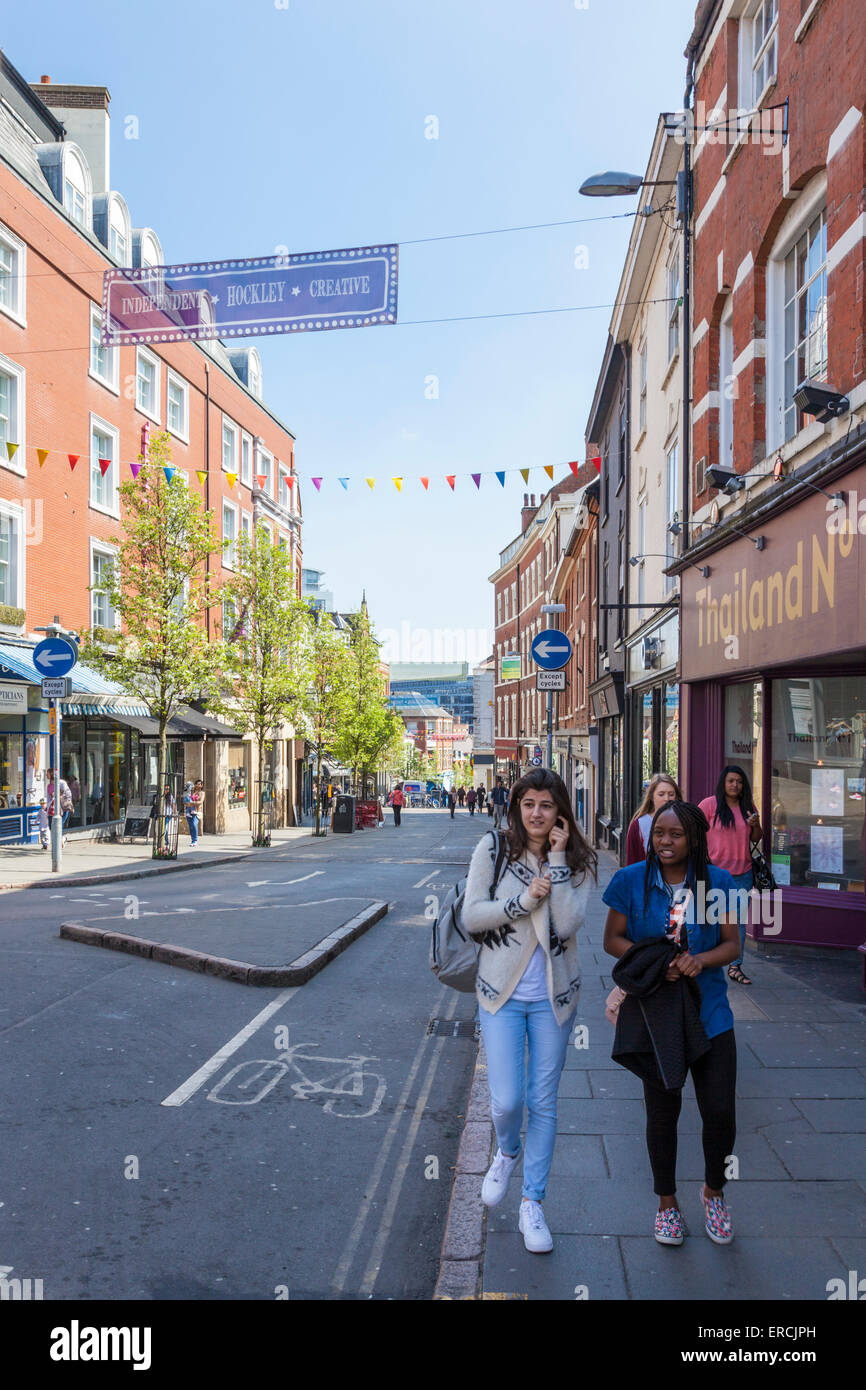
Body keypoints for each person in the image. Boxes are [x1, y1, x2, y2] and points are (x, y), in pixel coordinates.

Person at [463, 769, 597, 1254]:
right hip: (500, 994)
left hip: (554, 1000)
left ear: (560, 808)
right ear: (517, 806)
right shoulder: (495, 850)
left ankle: (532, 1203)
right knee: (505, 1102)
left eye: (546, 804)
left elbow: (564, 924)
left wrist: (557, 861)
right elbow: (471, 915)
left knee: (544, 1103)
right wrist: (521, 901)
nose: (537, 813)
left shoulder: (578, 861)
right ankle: (508, 1151)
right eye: (529, 804)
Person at [602, 801, 740, 1248]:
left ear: (694, 839)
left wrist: (698, 959)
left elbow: (732, 945)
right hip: (658, 1016)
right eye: (658, 833)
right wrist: (656, 962)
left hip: (711, 1015)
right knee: (663, 1114)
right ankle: (666, 1205)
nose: (664, 841)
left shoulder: (717, 883)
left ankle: (714, 1192)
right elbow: (612, 940)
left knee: (719, 1111)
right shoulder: (630, 880)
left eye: (675, 834)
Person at [698, 766, 762, 987]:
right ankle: (705, 960)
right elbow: (694, 830)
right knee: (708, 918)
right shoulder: (709, 805)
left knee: (738, 923)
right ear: (723, 783)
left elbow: (756, 838)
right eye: (731, 781)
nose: (735, 785)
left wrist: (756, 825)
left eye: (739, 782)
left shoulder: (748, 808)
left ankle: (735, 966)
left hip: (741, 874)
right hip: (712, 872)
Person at [625, 773, 681, 864]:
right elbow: (632, 863)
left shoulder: (686, 822)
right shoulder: (639, 826)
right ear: (651, 797)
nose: (667, 799)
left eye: (671, 794)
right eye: (661, 794)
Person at [183, 781, 200, 848]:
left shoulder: (196, 793)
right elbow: (186, 803)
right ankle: (193, 840)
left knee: (194, 825)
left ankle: (195, 840)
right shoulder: (186, 794)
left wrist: (192, 803)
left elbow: (198, 802)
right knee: (191, 826)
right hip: (188, 811)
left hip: (194, 812)